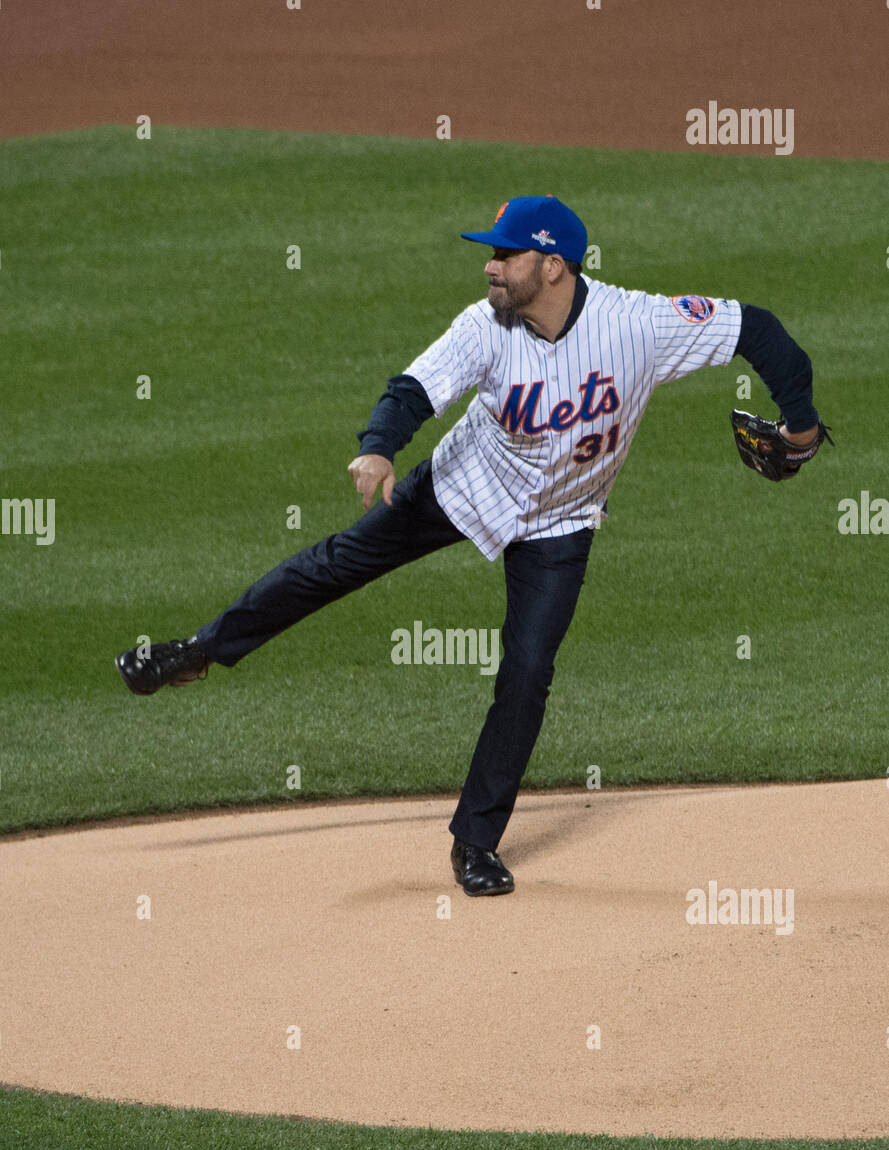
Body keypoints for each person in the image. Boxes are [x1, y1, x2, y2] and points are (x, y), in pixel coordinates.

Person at [116, 195, 826, 897]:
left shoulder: (638, 324)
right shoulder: (484, 325)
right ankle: (199, 651)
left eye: (503, 253)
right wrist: (377, 449)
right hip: (461, 488)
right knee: (334, 565)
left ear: (552, 266)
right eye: (489, 252)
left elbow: (753, 328)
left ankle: (475, 842)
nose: (489, 266)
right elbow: (413, 390)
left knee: (526, 672)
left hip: (562, 521)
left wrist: (799, 427)